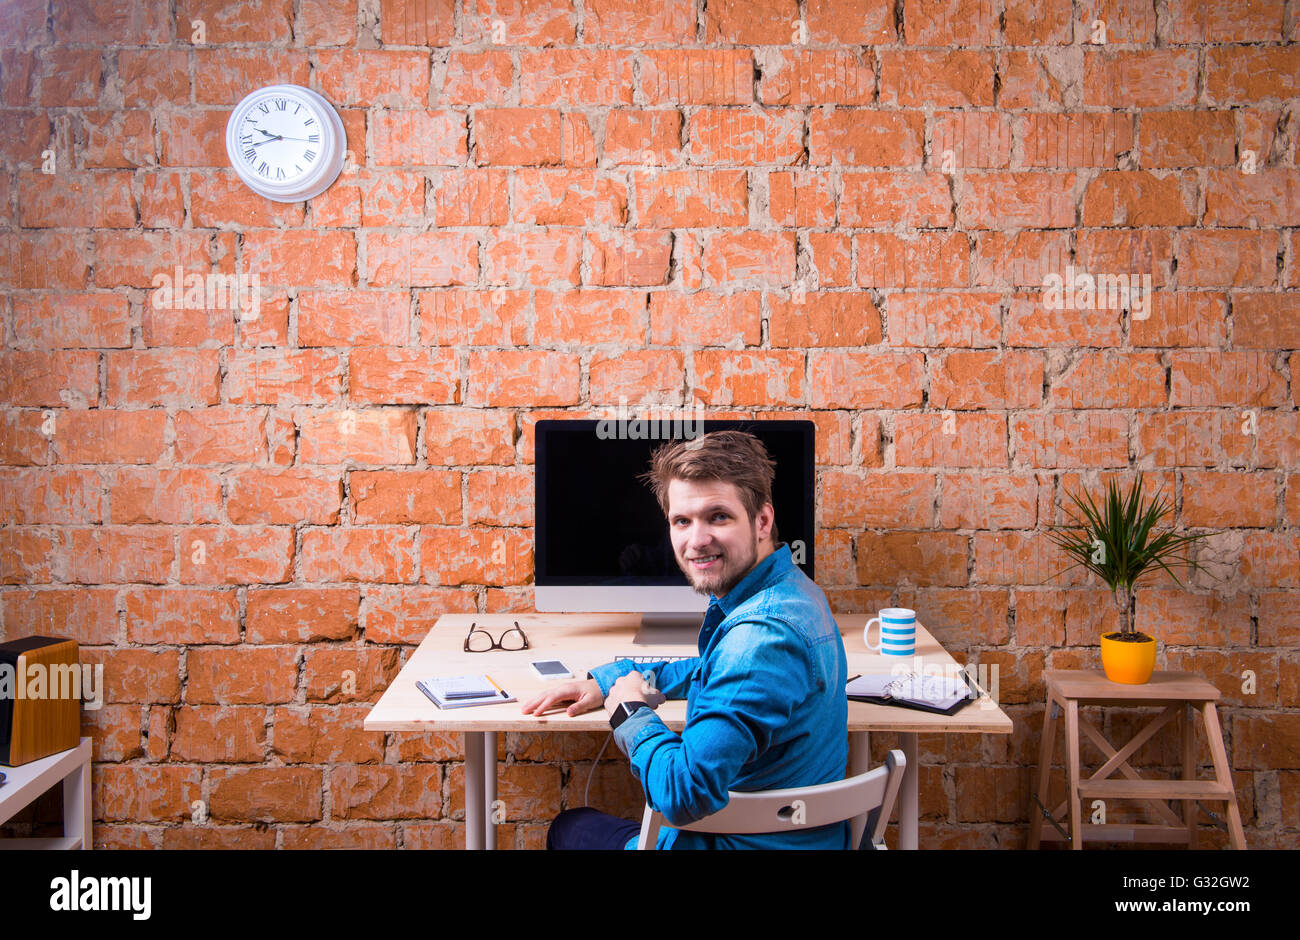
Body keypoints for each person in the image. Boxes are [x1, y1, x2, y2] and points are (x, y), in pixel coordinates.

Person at [520, 429, 849, 849]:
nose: (697, 540)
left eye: (718, 516)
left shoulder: (758, 640)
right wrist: (609, 679)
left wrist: (629, 711)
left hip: (729, 843)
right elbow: (717, 669)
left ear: (762, 520)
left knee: (570, 828)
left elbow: (682, 794)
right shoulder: (794, 592)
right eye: (682, 521)